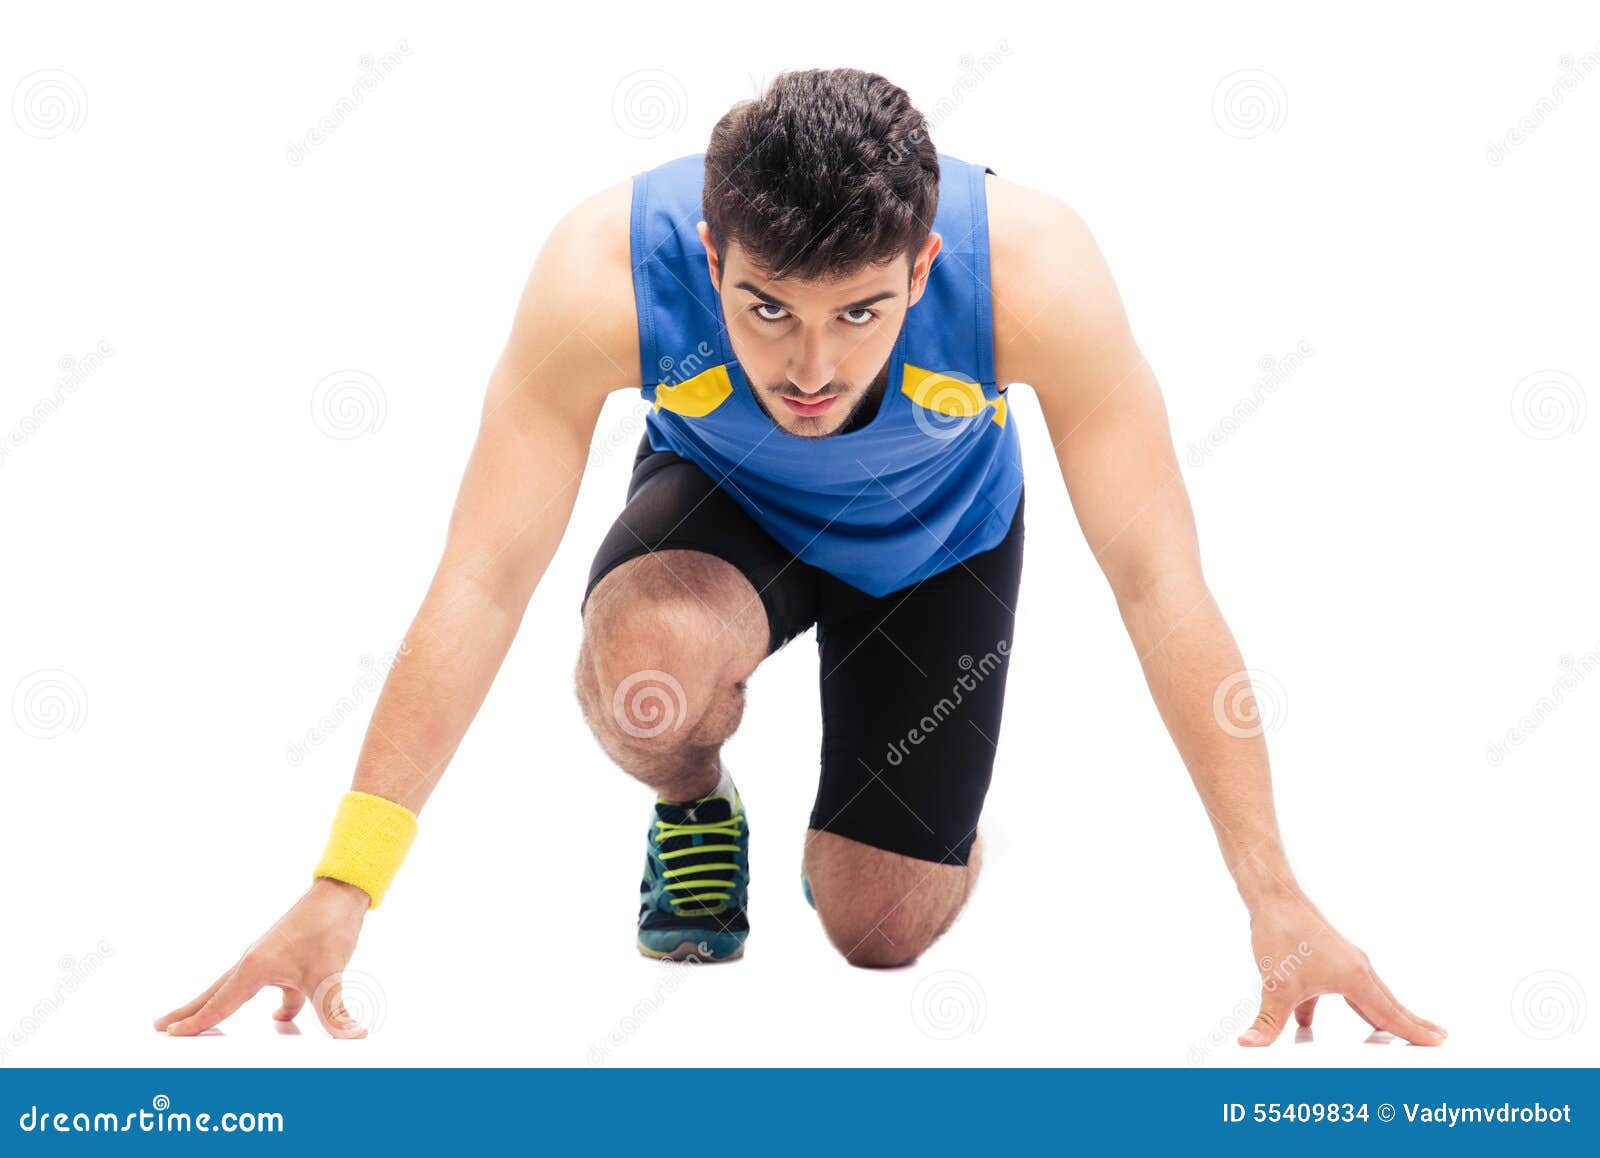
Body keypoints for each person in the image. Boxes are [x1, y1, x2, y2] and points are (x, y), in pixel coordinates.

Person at [156, 69, 1444, 1047]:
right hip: (727, 518)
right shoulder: (599, 276)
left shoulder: (1036, 276)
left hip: (936, 546)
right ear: (710, 257)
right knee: (648, 672)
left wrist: (1273, 895)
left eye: (860, 314)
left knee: (879, 933)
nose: (810, 370)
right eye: (766, 307)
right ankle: (693, 804)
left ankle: (922, 836)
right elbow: (481, 579)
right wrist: (346, 884)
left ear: (923, 264)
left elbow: (1163, 580)